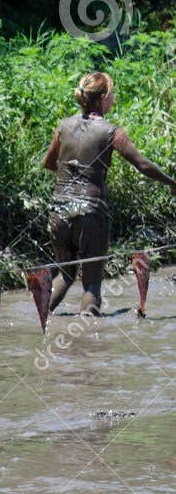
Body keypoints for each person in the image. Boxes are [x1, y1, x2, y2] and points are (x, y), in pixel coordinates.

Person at [42, 71, 176, 315]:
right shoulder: (111, 131)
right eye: (112, 94)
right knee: (92, 284)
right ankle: (91, 342)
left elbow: (49, 163)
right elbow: (142, 165)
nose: (113, 98)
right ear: (103, 98)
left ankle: (39, 322)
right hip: (91, 215)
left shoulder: (64, 126)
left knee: (65, 273)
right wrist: (171, 182)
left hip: (58, 213)